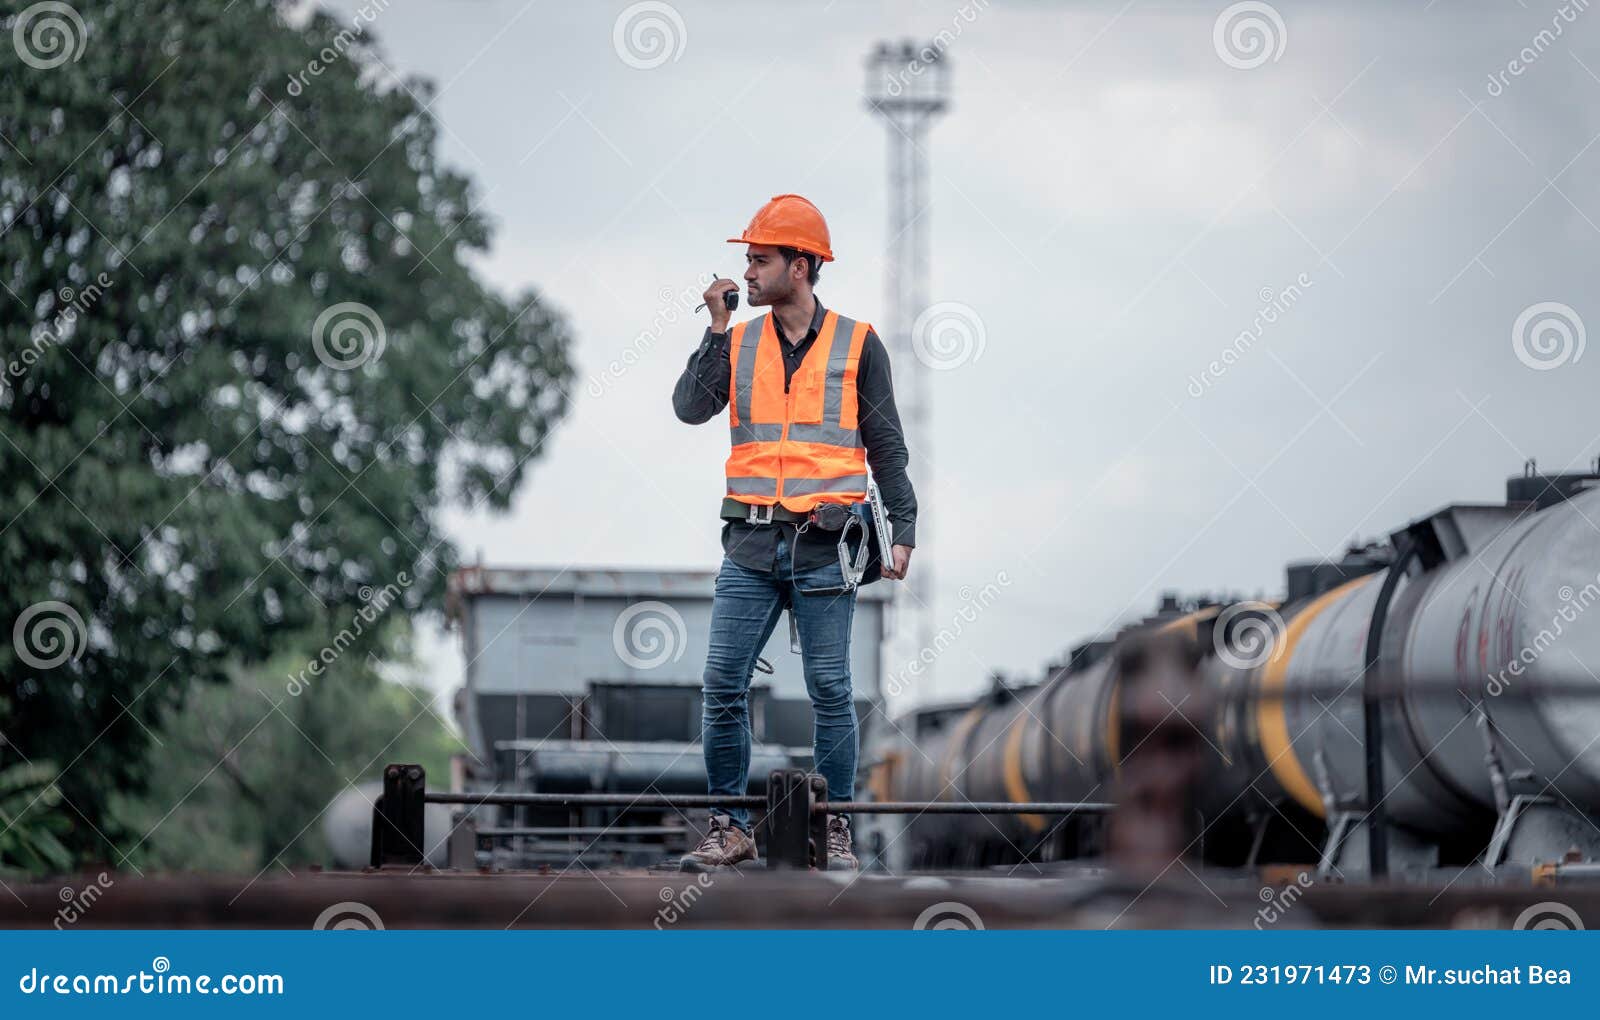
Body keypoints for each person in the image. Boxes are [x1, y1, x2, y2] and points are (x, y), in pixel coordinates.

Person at [671, 194, 918, 870]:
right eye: (748, 261)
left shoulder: (859, 345)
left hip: (826, 548)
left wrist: (903, 527)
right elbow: (690, 407)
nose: (747, 273)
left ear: (800, 266)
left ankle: (830, 829)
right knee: (722, 682)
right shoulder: (738, 341)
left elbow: (887, 445)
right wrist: (715, 328)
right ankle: (729, 827)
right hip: (750, 546)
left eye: (760, 260)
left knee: (831, 689)